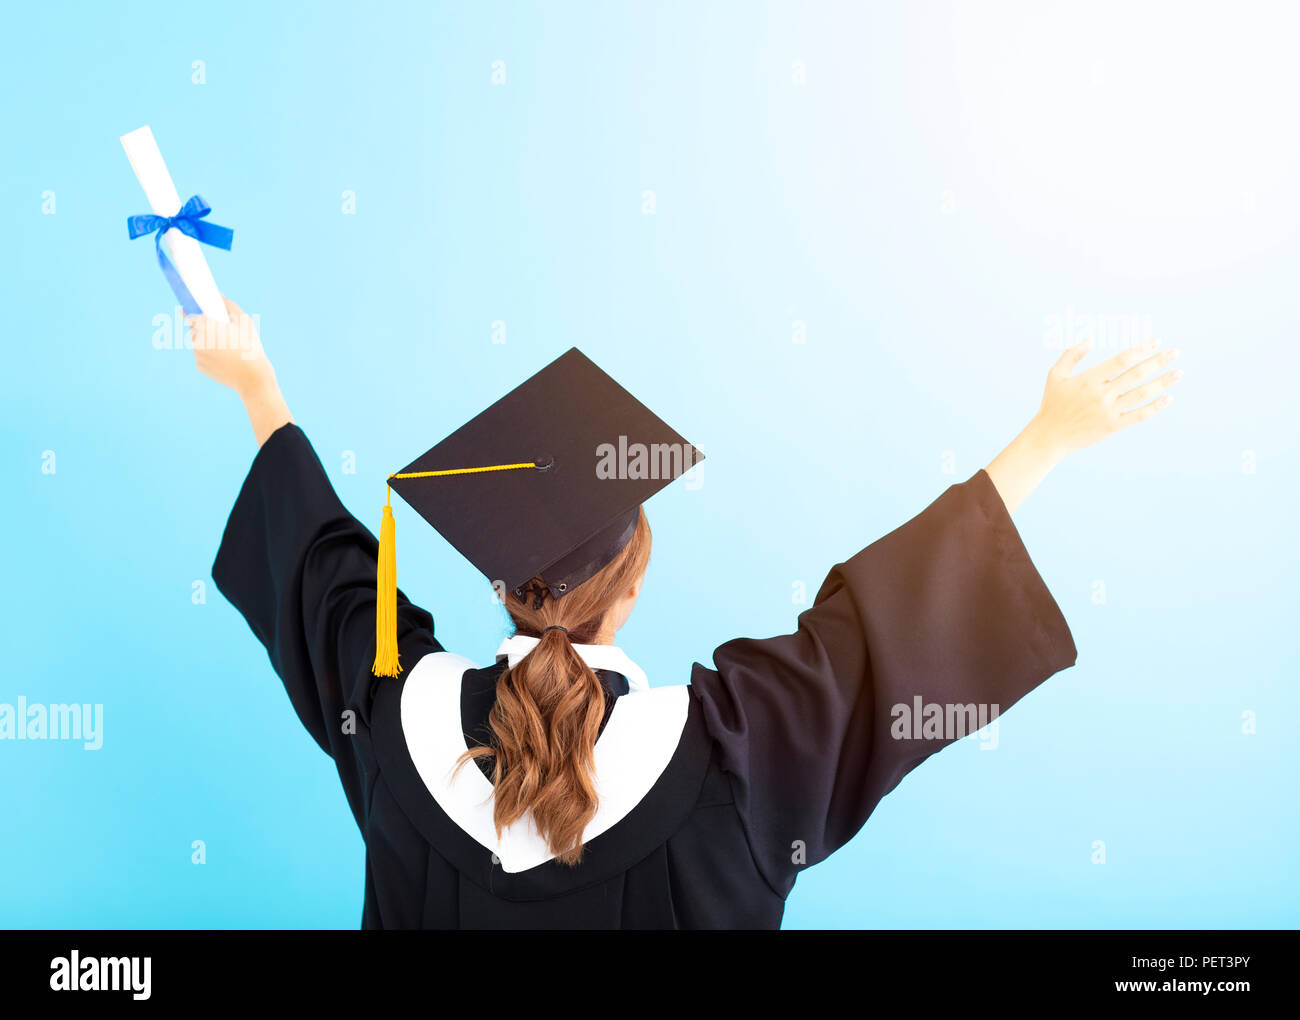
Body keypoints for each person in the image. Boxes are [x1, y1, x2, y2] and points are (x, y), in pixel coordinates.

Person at [189, 297, 1181, 928]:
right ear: (634, 583)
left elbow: (325, 571)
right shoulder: (737, 752)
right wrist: (1047, 438)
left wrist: (256, 387)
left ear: (500, 585)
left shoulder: (395, 718)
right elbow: (884, 621)